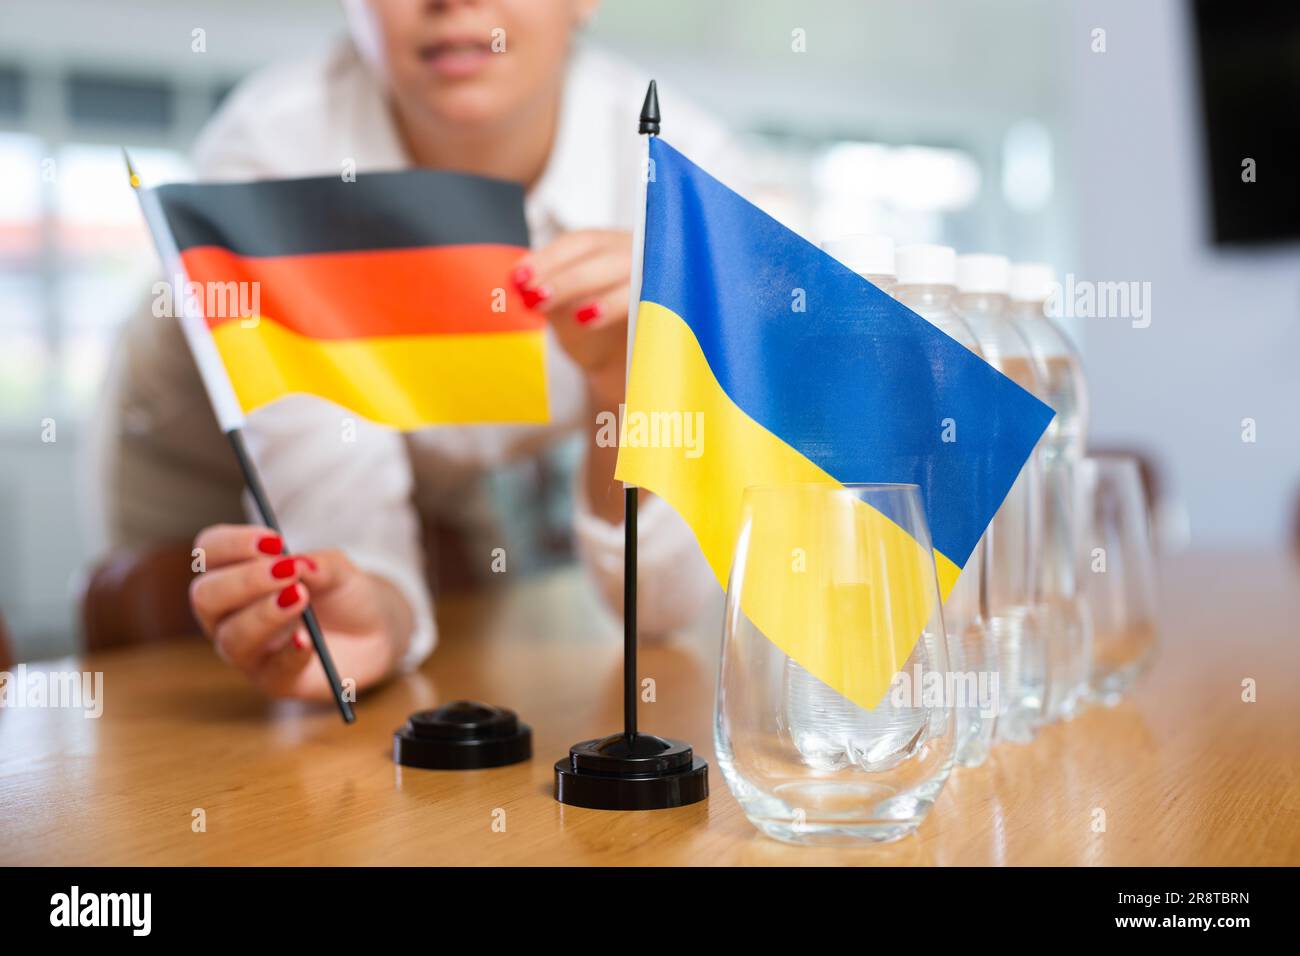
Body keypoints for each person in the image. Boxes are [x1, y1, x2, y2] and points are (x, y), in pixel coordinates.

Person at [93, 0, 735, 701]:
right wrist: (373, 617)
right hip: (202, 456)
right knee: (188, 654)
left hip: (449, 464)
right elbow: (342, 517)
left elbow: (663, 609)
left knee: (465, 606)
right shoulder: (270, 150)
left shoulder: (687, 175)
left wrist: (622, 386)